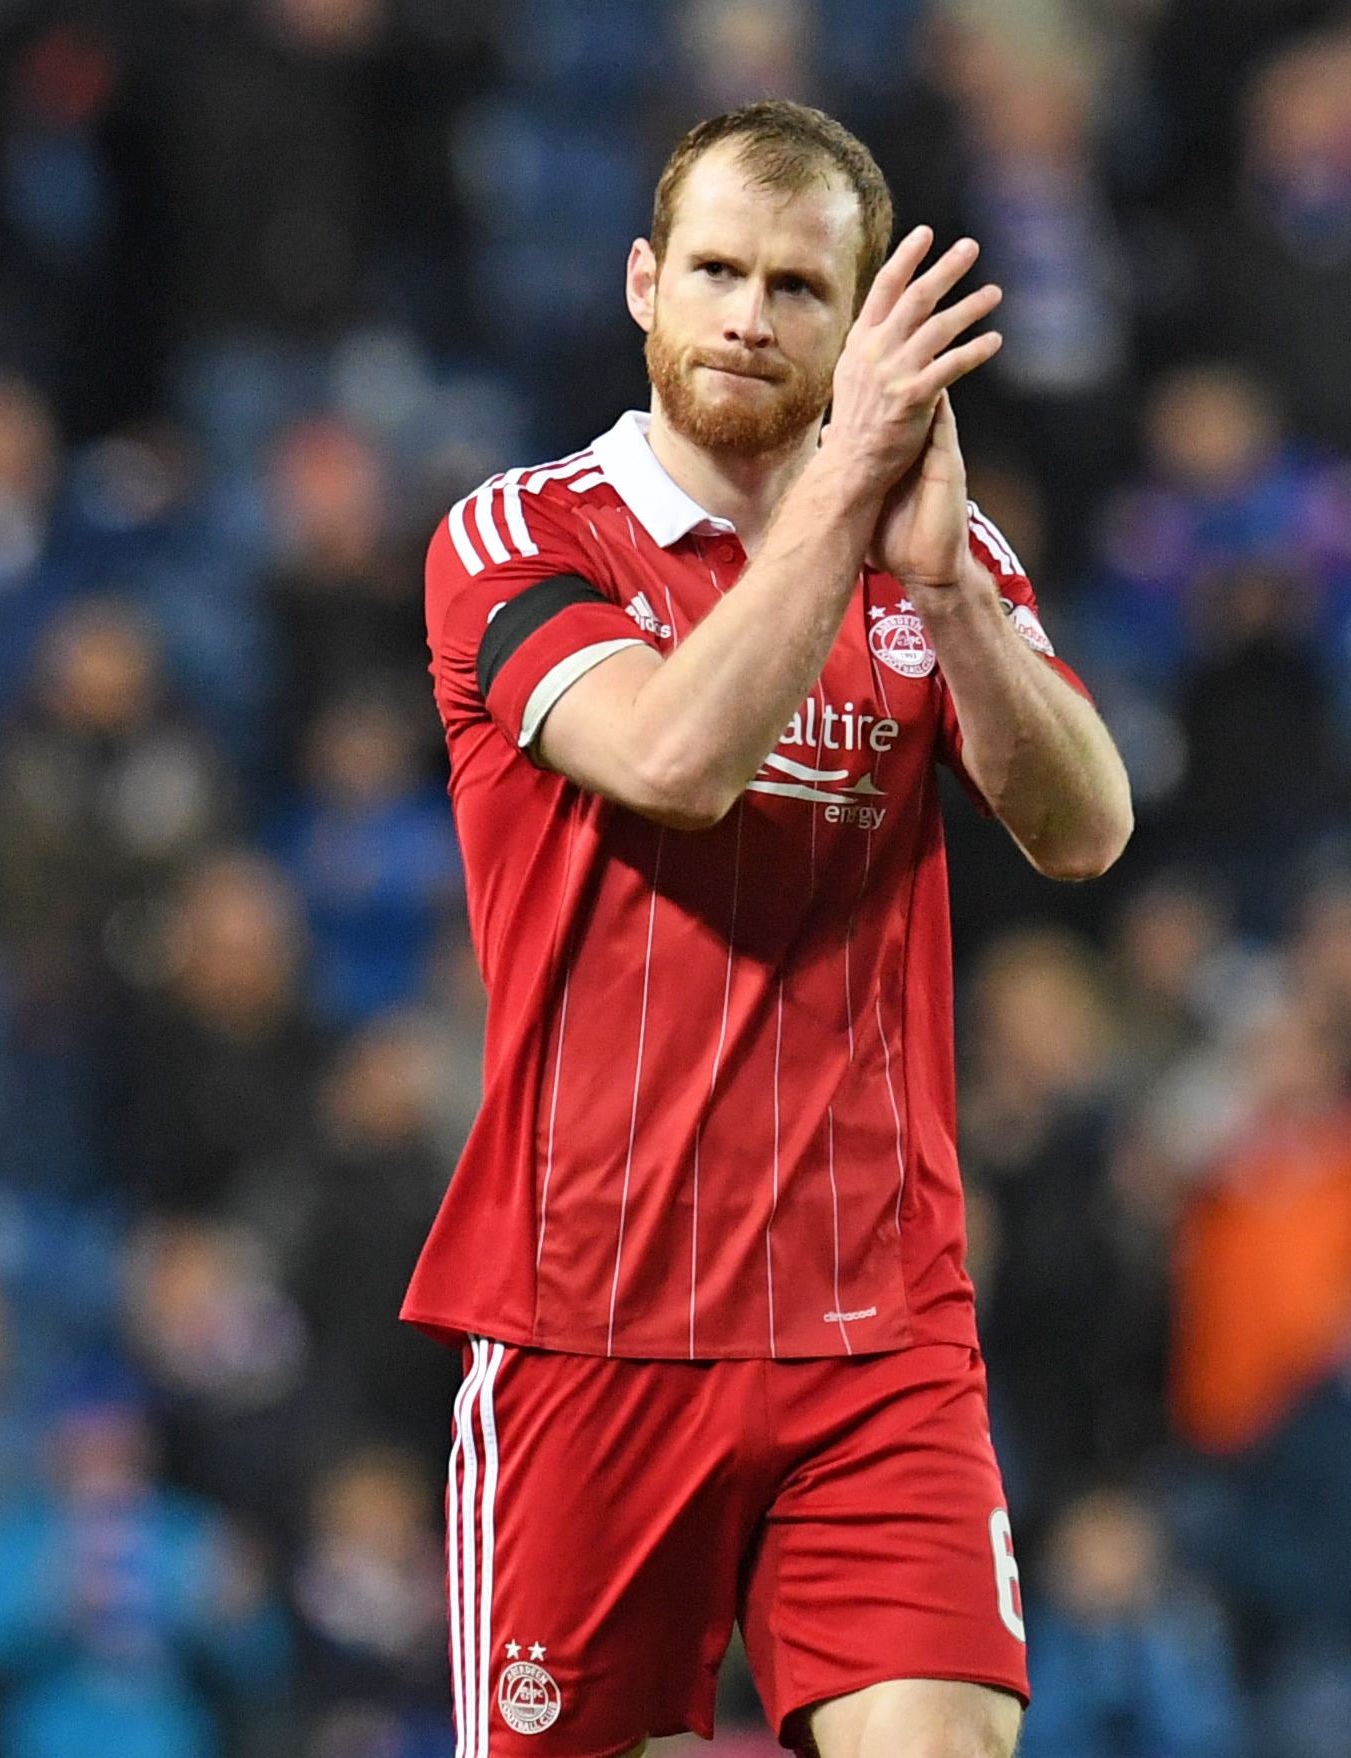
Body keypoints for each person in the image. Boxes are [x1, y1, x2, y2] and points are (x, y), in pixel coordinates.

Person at [405, 100, 1134, 1758]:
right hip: (594, 1316)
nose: (749, 316)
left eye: (801, 288)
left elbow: (1088, 827)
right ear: (643, 286)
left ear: (865, 323)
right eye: (717, 272)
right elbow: (672, 757)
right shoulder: (521, 535)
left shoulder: (936, 563)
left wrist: (950, 591)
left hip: (879, 1323)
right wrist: (841, 505)